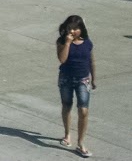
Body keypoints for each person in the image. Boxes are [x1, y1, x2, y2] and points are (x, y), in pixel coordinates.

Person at [55, 15, 96, 157]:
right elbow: (62, 59)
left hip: (83, 80)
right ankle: (67, 135)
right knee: (67, 106)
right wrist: (67, 43)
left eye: (76, 28)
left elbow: (91, 61)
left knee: (83, 110)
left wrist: (94, 77)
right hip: (66, 78)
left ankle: (81, 143)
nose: (73, 31)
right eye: (70, 28)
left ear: (81, 29)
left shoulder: (87, 43)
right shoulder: (61, 41)